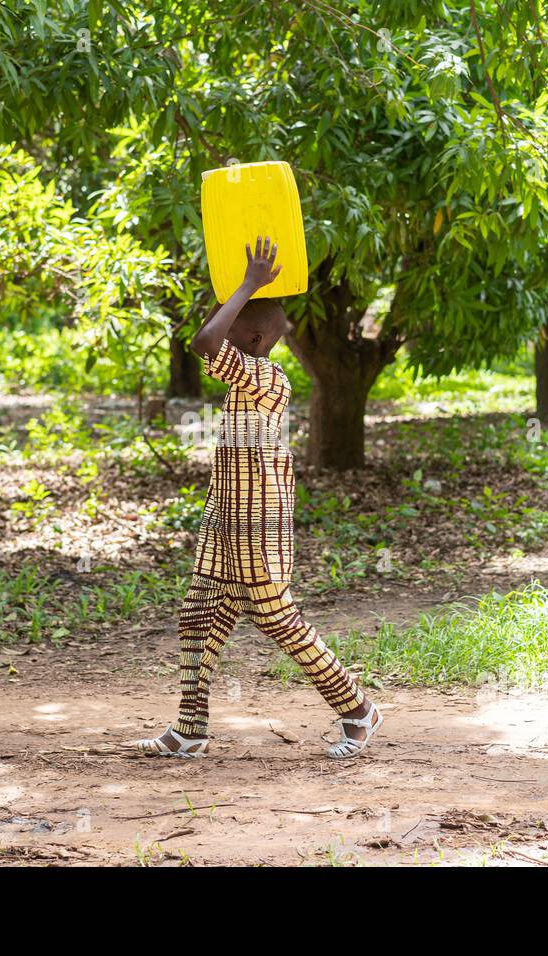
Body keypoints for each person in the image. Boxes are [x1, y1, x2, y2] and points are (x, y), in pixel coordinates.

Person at [132, 237, 383, 759]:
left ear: (249, 336)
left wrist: (250, 284)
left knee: (278, 620)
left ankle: (359, 711)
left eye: (232, 317)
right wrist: (238, 285)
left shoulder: (265, 376)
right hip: (226, 523)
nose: (221, 324)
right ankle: (190, 730)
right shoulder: (244, 379)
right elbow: (210, 337)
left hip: (257, 527)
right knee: (198, 616)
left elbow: (203, 341)